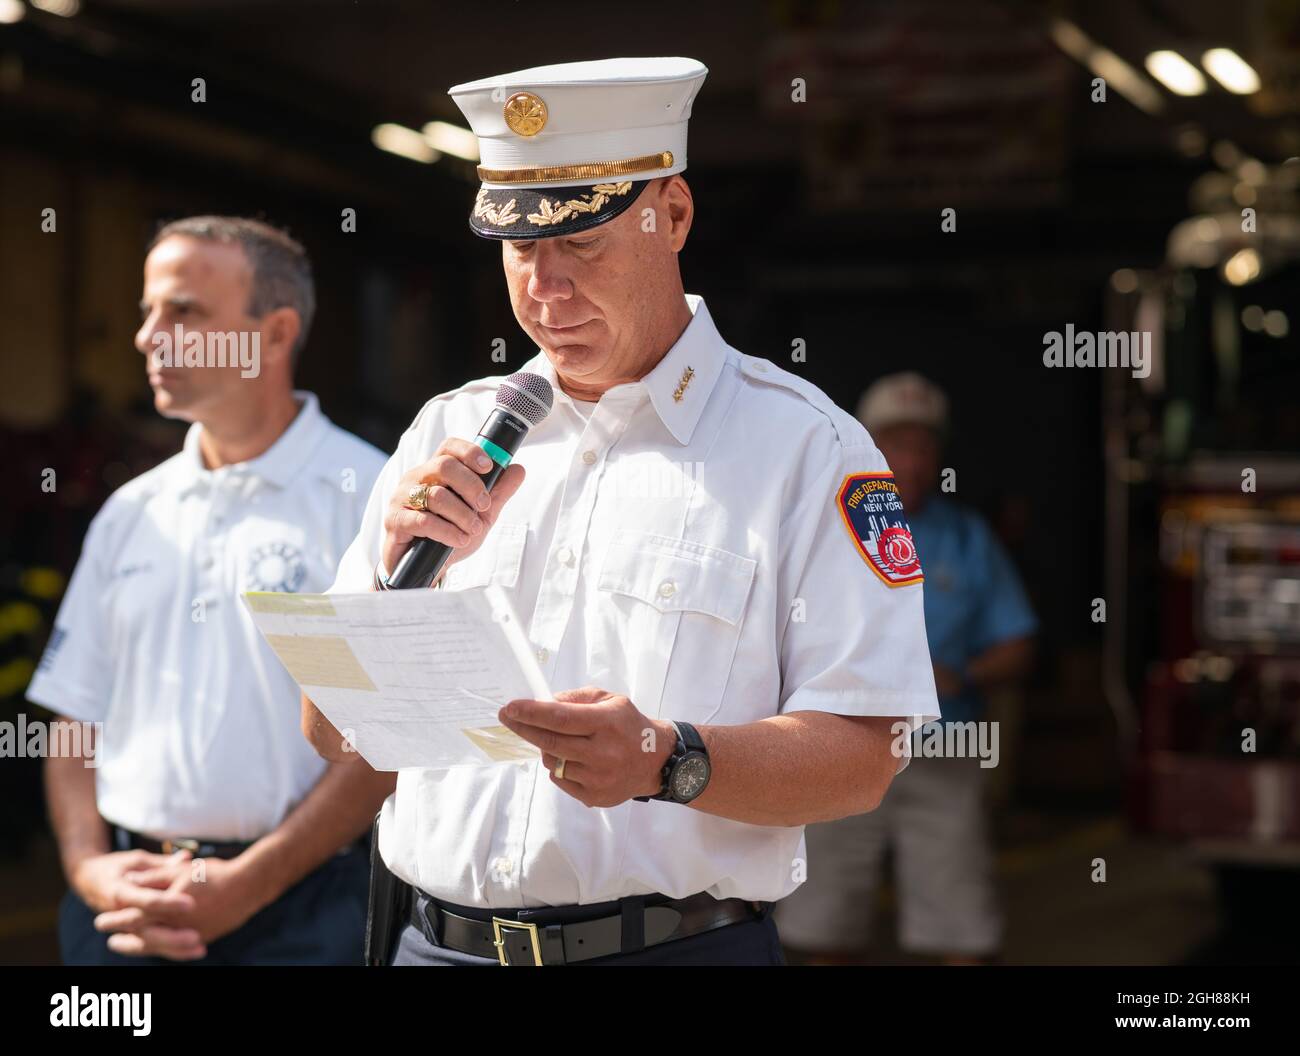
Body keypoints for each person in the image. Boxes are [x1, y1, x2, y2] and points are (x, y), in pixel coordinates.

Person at [303, 58, 939, 966]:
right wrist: (392, 583)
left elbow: (865, 754)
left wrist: (667, 760)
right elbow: (333, 737)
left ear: (672, 215)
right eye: (521, 249)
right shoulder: (448, 430)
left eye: (583, 243)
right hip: (436, 948)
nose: (545, 289)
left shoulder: (807, 450)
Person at [30, 217, 393, 965]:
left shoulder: (372, 497)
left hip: (302, 919)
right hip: (118, 918)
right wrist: (87, 867)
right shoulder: (130, 512)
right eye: (147, 312)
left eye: (183, 311)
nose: (148, 337)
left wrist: (247, 886)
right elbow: (72, 718)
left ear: (276, 330)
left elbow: (388, 738)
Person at [777, 372, 1037, 965]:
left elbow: (1018, 643)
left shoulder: (968, 537)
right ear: (866, 444)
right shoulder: (824, 525)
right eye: (896, 442)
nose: (911, 459)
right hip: (836, 741)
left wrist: (964, 674)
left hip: (943, 745)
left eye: (924, 445)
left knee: (958, 924)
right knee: (823, 923)